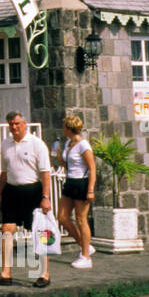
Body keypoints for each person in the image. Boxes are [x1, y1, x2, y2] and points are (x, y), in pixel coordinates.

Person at [0, 111, 52, 288]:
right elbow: (4, 171)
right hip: (11, 191)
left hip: (32, 191)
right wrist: (0, 193)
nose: (14, 127)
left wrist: (45, 197)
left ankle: (44, 273)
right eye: (11, 124)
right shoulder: (5, 144)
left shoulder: (37, 144)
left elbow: (45, 173)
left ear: (24, 124)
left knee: (39, 233)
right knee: (6, 230)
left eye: (17, 123)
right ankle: (5, 273)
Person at [56, 114, 97, 267]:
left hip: (82, 183)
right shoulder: (68, 143)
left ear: (69, 128)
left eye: (64, 126)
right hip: (70, 181)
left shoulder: (83, 145)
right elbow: (67, 166)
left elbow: (92, 168)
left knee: (81, 219)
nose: (63, 129)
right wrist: (59, 155)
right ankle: (85, 245)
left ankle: (86, 257)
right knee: (62, 217)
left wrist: (90, 190)